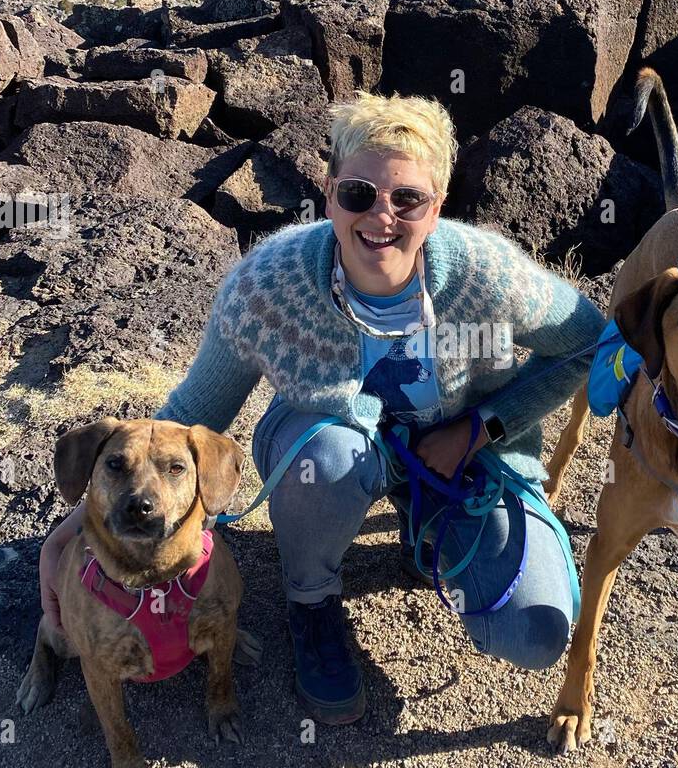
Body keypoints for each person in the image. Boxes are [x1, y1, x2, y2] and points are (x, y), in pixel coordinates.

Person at [38, 90, 604, 724]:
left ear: (438, 206)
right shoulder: (269, 285)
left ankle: (430, 533)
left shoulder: (485, 276)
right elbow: (195, 409)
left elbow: (591, 343)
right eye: (359, 193)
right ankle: (311, 602)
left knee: (534, 632)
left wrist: (483, 426)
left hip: (461, 463)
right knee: (328, 457)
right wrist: (90, 516)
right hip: (335, 451)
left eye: (408, 199)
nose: (381, 216)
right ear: (331, 191)